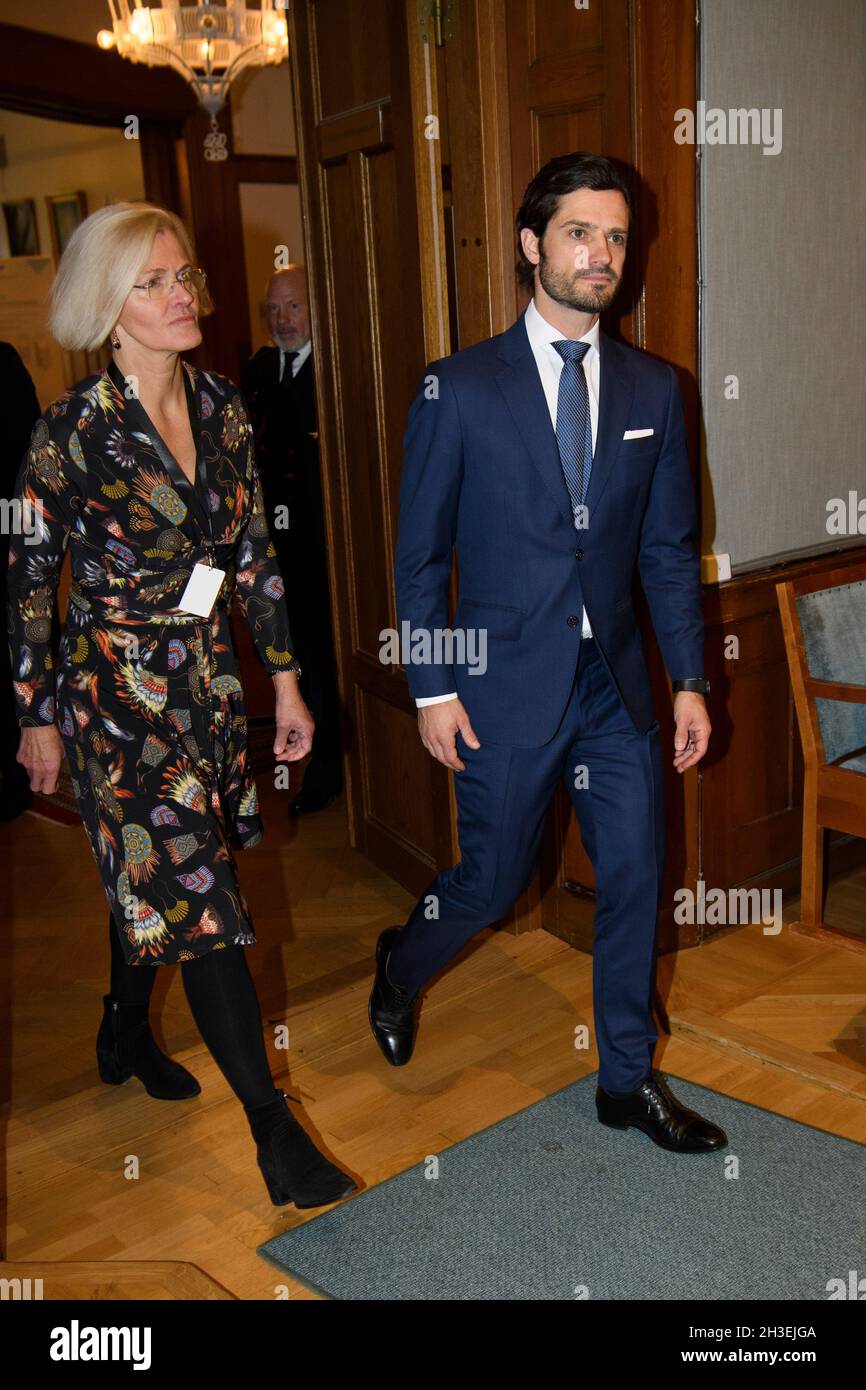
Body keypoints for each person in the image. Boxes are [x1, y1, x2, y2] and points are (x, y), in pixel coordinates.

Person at [370, 152, 726, 1155]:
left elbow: (664, 553)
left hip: (614, 687)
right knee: (488, 885)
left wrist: (689, 677)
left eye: (615, 236)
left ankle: (625, 1079)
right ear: (531, 244)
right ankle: (400, 964)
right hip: (495, 685)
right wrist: (431, 686)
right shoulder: (459, 389)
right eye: (579, 232)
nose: (600, 254)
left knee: (633, 872)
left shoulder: (657, 388)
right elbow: (417, 558)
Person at [5, 201, 356, 1208]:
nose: (182, 293)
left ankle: (123, 1023)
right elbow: (28, 578)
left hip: (203, 690)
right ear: (107, 311)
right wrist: (34, 712)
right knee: (203, 905)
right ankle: (274, 1133)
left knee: (160, 876)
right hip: (115, 703)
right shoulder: (68, 434)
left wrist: (283, 678)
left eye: (183, 274)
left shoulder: (225, 409)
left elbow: (252, 556)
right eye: (154, 282)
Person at [240, 265, 343, 814]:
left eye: (294, 307)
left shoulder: (335, 370)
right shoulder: (256, 373)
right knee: (286, 653)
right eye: (274, 309)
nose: (282, 320)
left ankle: (327, 769)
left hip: (322, 546)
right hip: (271, 549)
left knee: (325, 660)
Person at [0, 341, 41, 819]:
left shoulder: (4, 360)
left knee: (17, 645)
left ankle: (17, 773)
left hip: (10, 531)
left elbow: (26, 450)